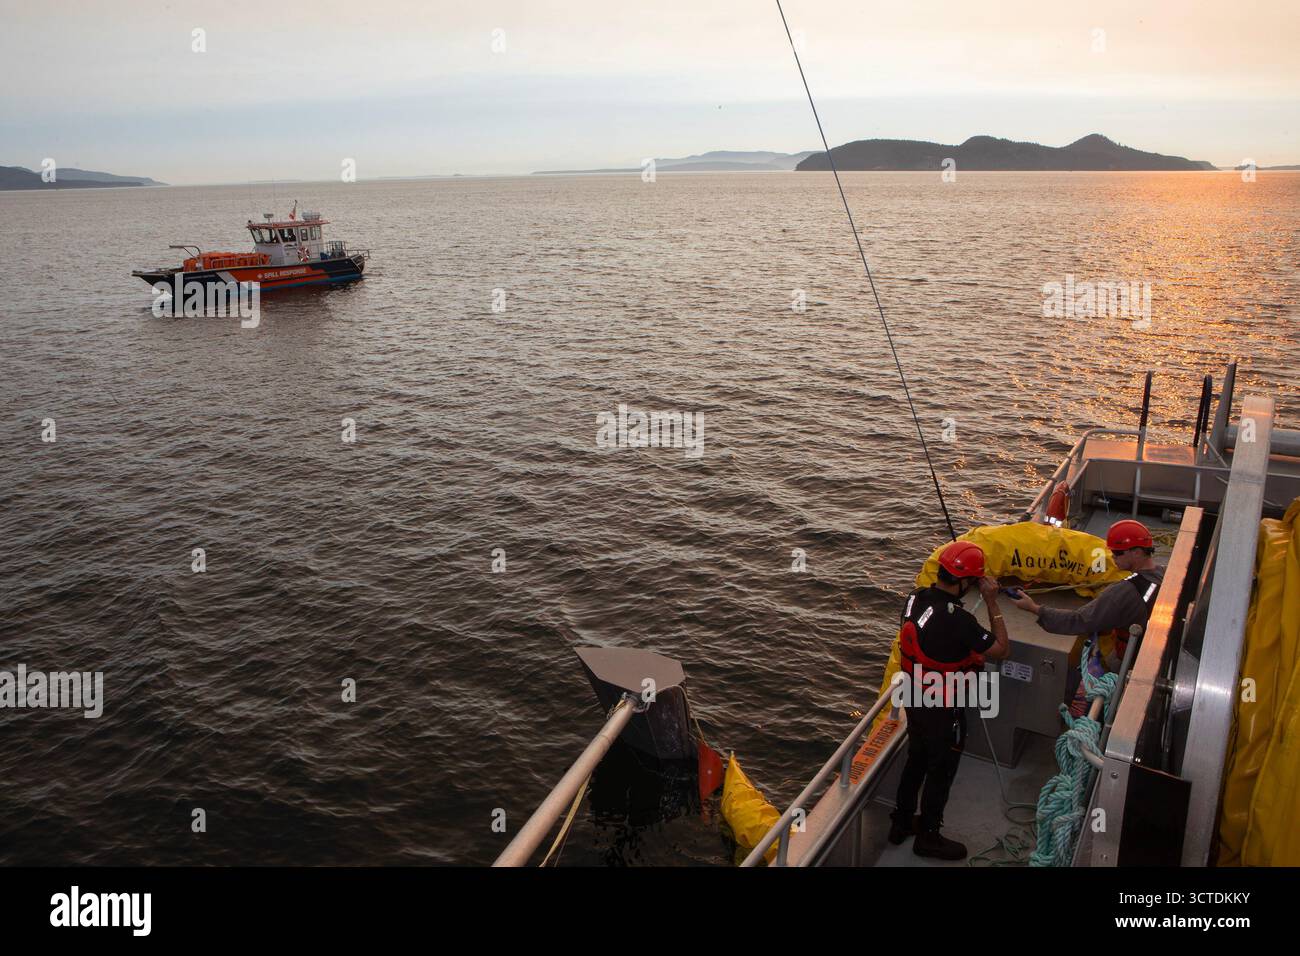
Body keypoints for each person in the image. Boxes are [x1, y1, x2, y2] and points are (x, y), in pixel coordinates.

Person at [889, 541, 1010, 860]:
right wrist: (992, 602)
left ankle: (901, 821)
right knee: (940, 771)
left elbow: (933, 641)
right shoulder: (958, 618)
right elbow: (1000, 649)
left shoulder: (915, 597)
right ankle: (929, 835)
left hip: (914, 698)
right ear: (966, 582)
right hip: (944, 709)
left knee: (916, 759)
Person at [1008, 519, 1164, 667]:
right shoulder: (1164, 574)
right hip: (1154, 650)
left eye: (1117, 553)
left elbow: (1078, 620)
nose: (1112, 557)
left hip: (1130, 662)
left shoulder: (1123, 592)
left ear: (1137, 552)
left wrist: (1034, 608)